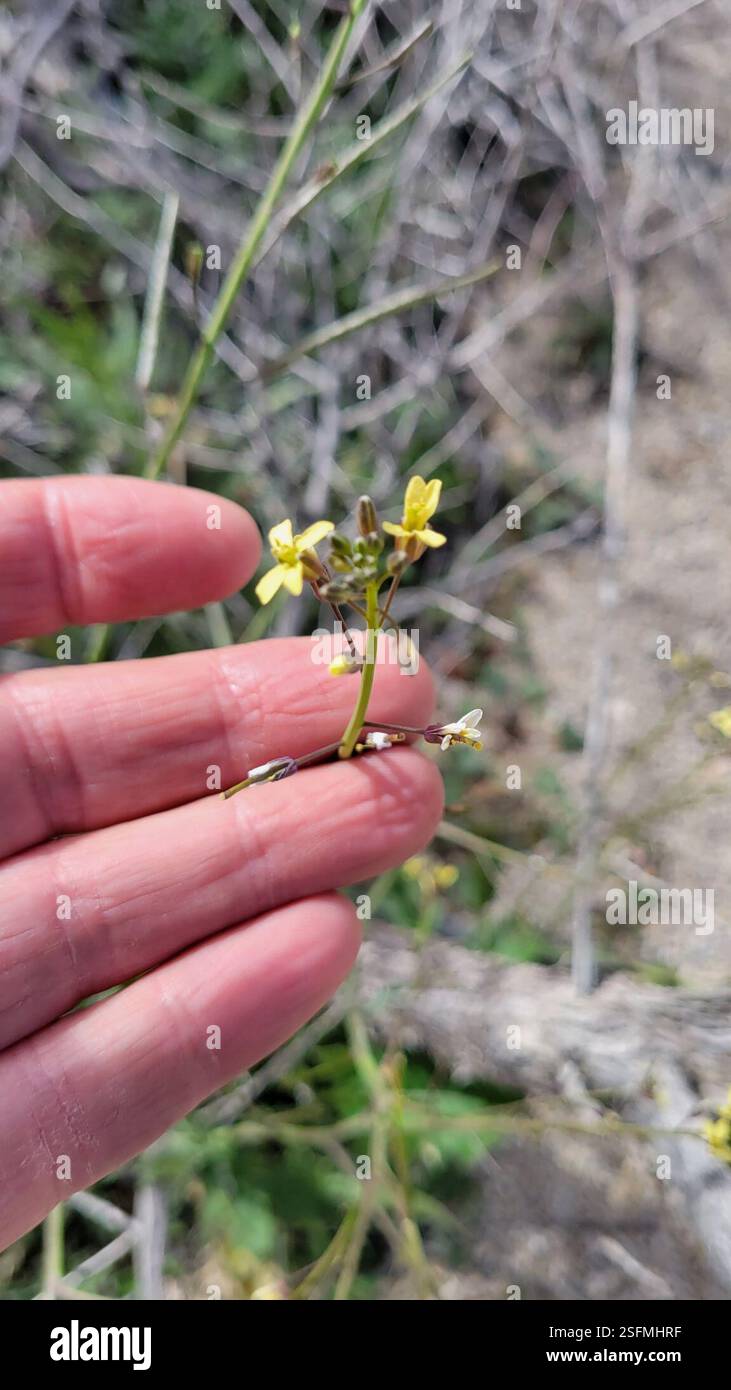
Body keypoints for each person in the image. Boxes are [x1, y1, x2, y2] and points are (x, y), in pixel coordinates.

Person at [0, 474, 443, 1250]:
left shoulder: (346, 565)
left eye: (409, 529)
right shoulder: (317, 569)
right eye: (404, 529)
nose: (409, 529)